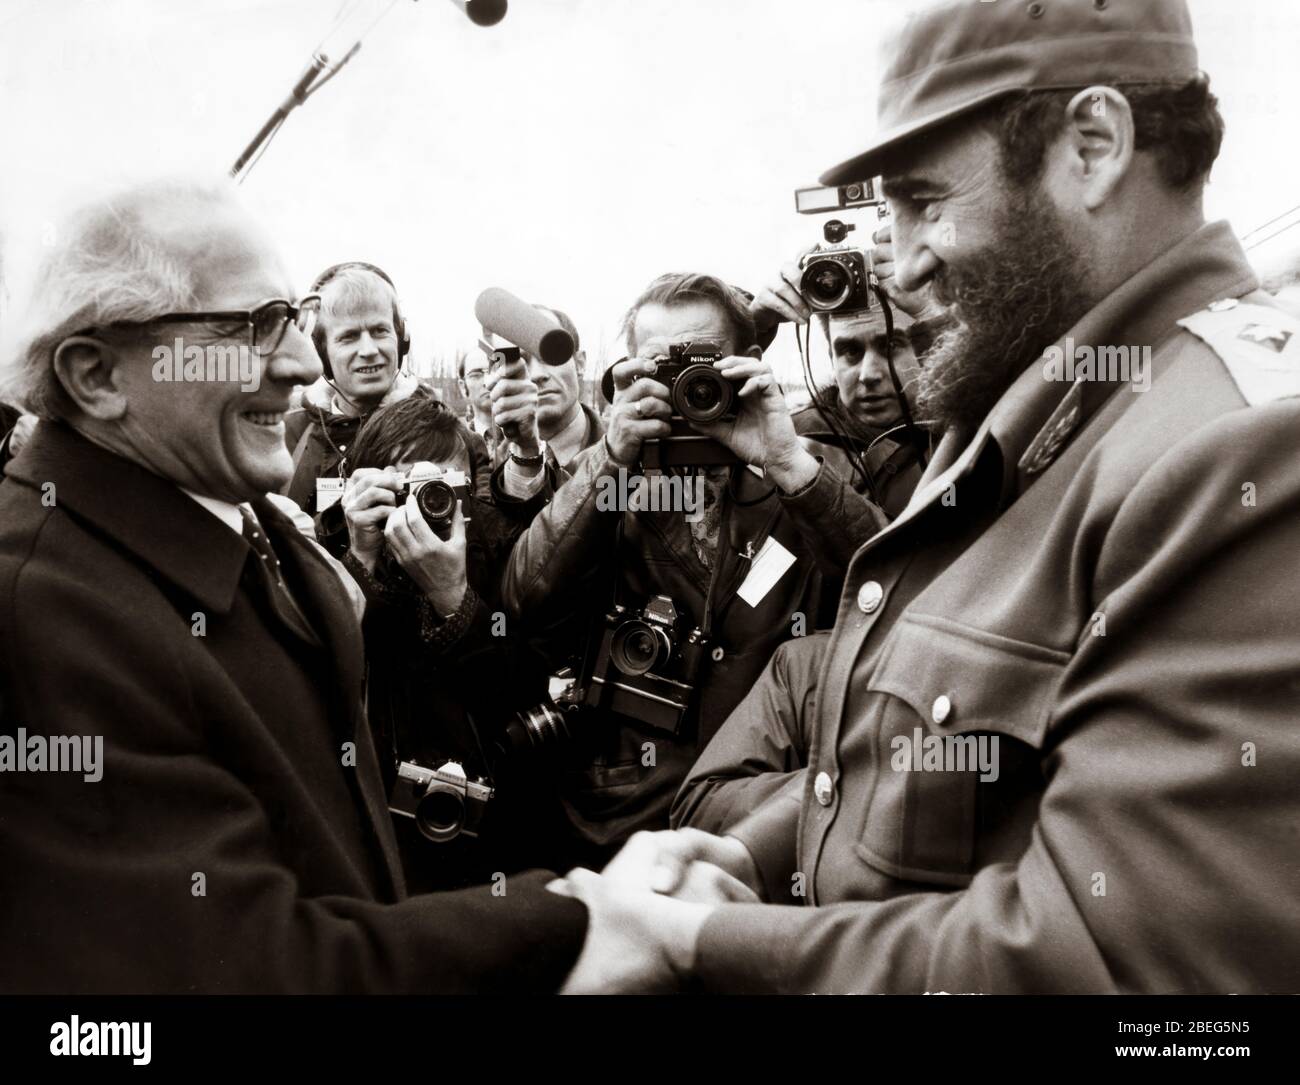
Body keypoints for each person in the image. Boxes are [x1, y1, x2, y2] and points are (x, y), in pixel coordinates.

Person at [554, 0, 1300, 994]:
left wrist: (697, 941)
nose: (898, 260)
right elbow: (936, 776)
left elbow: (1133, 968)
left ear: (1091, 145)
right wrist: (765, 857)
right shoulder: (1028, 410)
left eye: (921, 198)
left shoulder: (1239, 444)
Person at [0, 177, 585, 994]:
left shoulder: (249, 519)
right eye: (251, 329)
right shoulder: (38, 612)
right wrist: (577, 923)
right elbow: (240, 967)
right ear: (97, 374)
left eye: (289, 319)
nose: (305, 363)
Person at [502, 271, 889, 869]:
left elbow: (895, 595)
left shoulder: (811, 468)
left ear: (751, 363)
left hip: (764, 817)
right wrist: (614, 460)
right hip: (626, 817)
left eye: (703, 366)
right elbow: (525, 601)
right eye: (661, 370)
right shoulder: (609, 474)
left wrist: (784, 462)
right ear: (629, 376)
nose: (686, 387)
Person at [337, 394, 567, 890]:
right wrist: (361, 561)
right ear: (363, 486)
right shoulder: (333, 555)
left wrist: (453, 596)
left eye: (441, 487)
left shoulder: (505, 547)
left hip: (493, 834)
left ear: (471, 486)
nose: (427, 506)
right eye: (406, 487)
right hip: (377, 830)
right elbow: (332, 678)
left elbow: (530, 687)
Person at [282, 262, 491, 552]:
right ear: (322, 352)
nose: (368, 350)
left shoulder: (455, 438)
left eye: (380, 331)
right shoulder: (285, 440)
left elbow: (488, 552)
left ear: (401, 339)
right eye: (349, 337)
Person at [752, 229, 934, 517]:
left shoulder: (964, 430)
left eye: (889, 346)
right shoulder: (788, 438)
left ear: (928, 344)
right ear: (830, 357)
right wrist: (749, 332)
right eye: (850, 352)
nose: (868, 375)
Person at [487, 305, 603, 505]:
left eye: (551, 354)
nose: (538, 374)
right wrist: (525, 455)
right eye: (523, 361)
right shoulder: (490, 465)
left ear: (580, 363)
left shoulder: (628, 447)